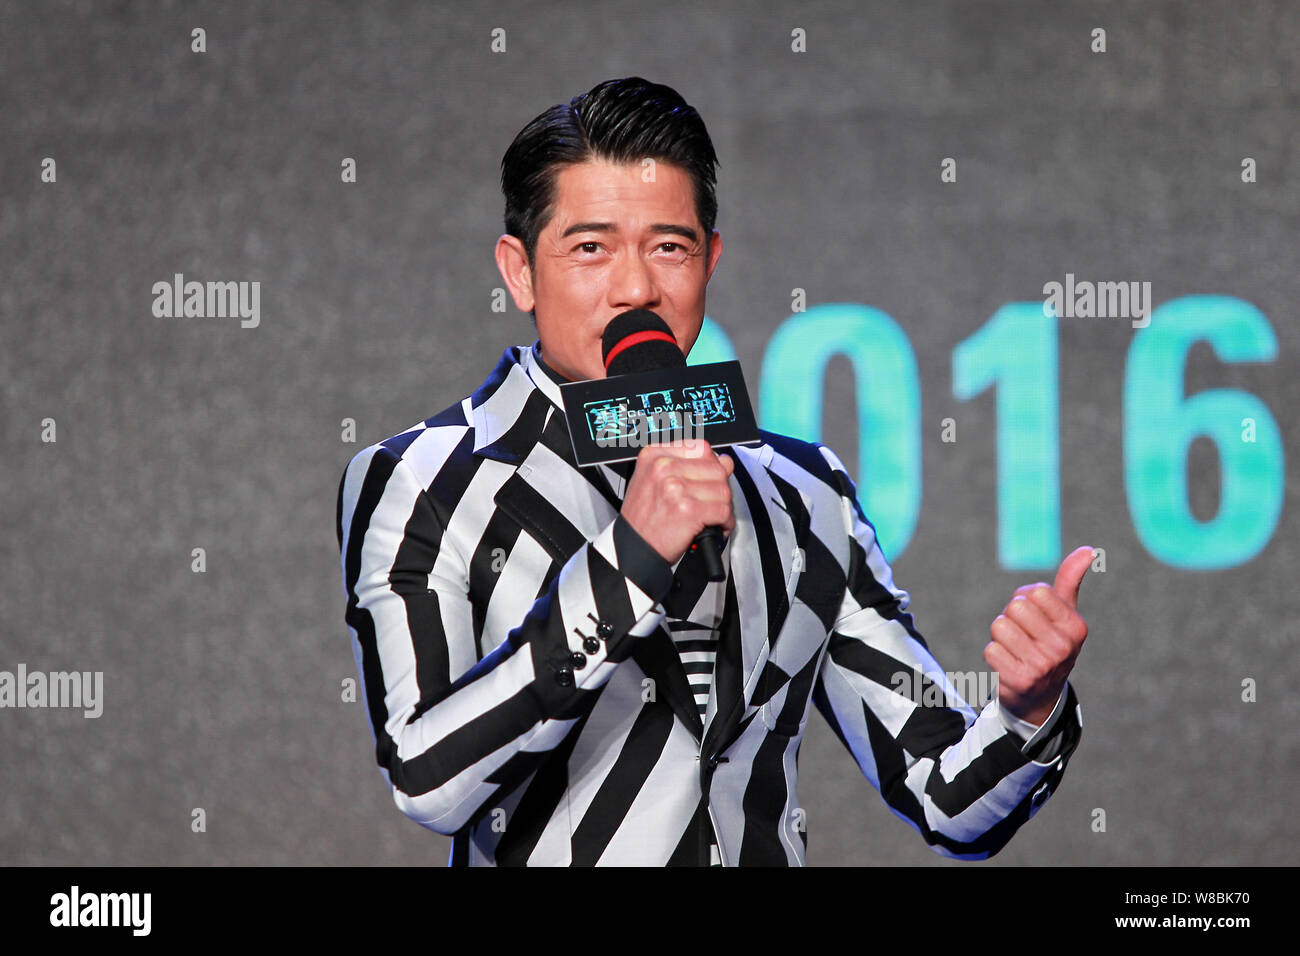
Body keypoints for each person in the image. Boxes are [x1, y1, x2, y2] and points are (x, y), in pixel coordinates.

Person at [335, 77, 1088, 866]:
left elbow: (942, 796)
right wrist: (629, 562)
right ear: (520, 271)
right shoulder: (421, 478)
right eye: (590, 248)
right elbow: (429, 779)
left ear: (710, 261)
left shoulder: (803, 494)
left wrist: (1027, 712)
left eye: (669, 247)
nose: (636, 289)